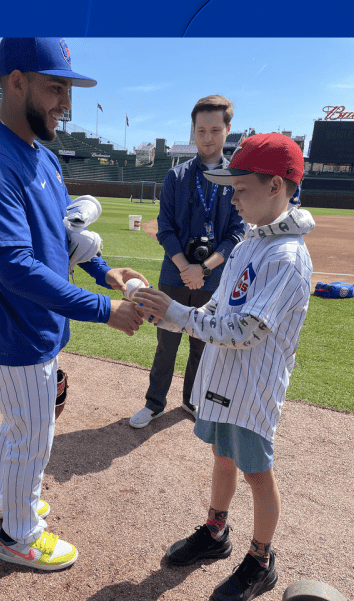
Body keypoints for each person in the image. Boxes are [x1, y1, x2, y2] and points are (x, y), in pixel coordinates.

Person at [0, 37, 147, 571]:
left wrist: (107, 274)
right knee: (32, 436)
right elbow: (14, 268)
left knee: (22, 425)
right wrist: (105, 310)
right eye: (55, 87)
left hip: (36, 326)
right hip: (15, 329)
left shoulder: (41, 153)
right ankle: (19, 535)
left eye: (68, 88)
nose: (67, 102)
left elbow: (67, 233)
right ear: (15, 82)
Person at [133, 133, 314, 601]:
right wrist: (173, 311)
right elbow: (219, 302)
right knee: (221, 455)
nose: (231, 198)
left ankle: (261, 559)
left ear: (276, 185)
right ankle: (216, 532)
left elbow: (246, 329)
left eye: (240, 189)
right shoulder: (251, 242)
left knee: (257, 471)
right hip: (223, 377)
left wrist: (180, 315)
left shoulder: (287, 256)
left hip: (252, 387)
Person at [128, 95, 246, 429]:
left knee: (202, 345)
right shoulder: (176, 177)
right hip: (174, 276)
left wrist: (204, 268)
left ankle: (191, 400)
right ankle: (154, 404)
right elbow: (165, 230)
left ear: (228, 130)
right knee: (166, 345)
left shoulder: (236, 179)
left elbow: (236, 233)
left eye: (214, 129)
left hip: (213, 280)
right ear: (192, 131)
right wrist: (185, 267)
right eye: (200, 130)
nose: (207, 137)